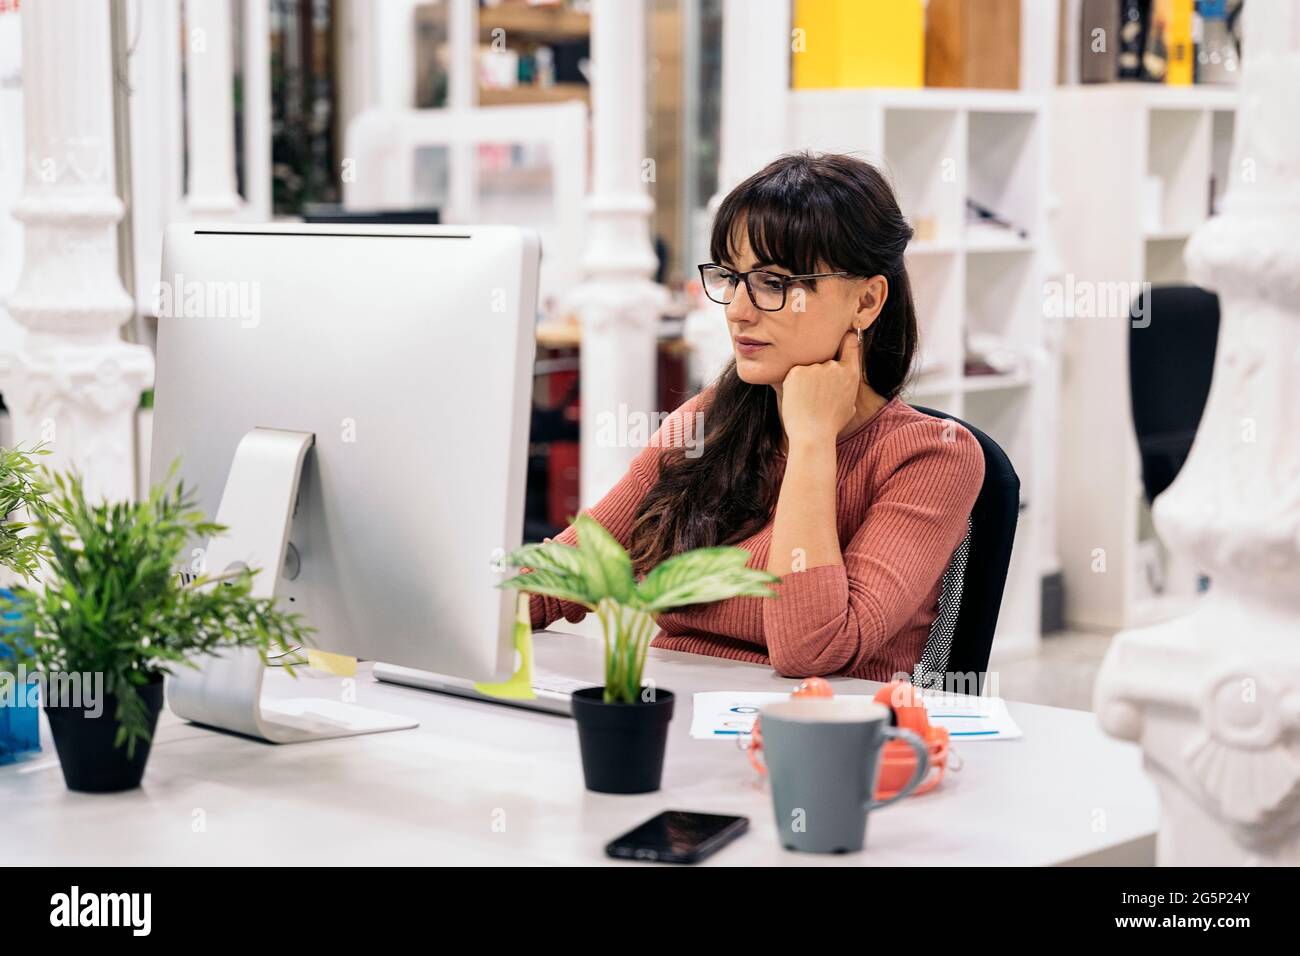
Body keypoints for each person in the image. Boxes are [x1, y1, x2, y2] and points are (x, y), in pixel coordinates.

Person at [531, 151, 984, 681]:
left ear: (866, 301)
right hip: (678, 719)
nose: (738, 310)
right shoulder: (711, 422)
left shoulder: (933, 457)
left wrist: (812, 440)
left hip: (822, 741)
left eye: (775, 284)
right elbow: (567, 572)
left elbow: (809, 651)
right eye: (729, 276)